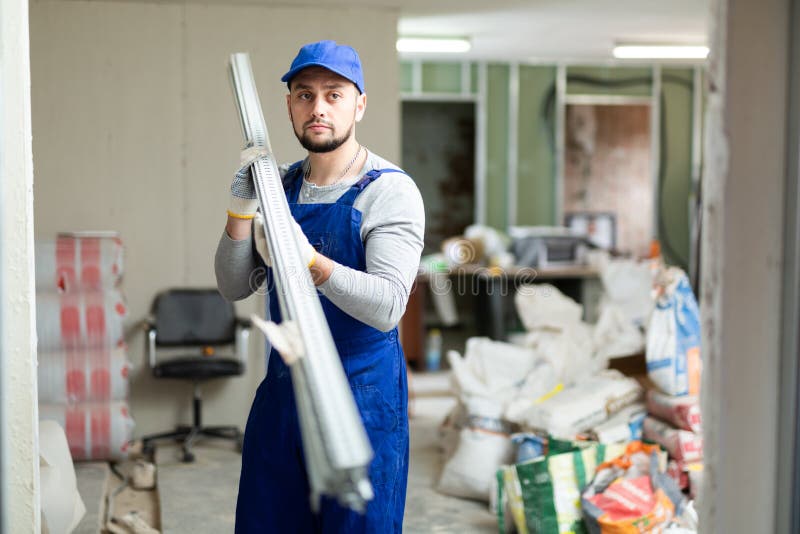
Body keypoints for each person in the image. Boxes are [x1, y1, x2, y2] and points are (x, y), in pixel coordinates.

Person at [214, 40, 425, 533]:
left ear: (360, 104)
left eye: (334, 94)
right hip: (283, 399)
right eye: (305, 95)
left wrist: (311, 262)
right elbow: (231, 284)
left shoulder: (388, 191)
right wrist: (241, 209)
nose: (319, 108)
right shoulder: (276, 188)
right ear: (290, 104)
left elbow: (388, 306)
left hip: (361, 403)